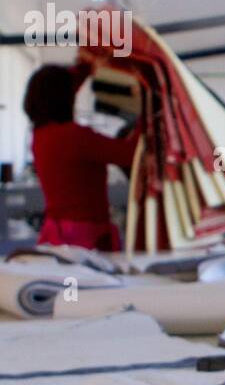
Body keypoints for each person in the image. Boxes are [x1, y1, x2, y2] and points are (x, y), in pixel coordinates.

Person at [23, 50, 139, 251]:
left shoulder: (40, 136)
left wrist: (87, 65)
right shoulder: (77, 137)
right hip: (86, 239)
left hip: (56, 235)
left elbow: (59, 90)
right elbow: (131, 154)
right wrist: (148, 110)